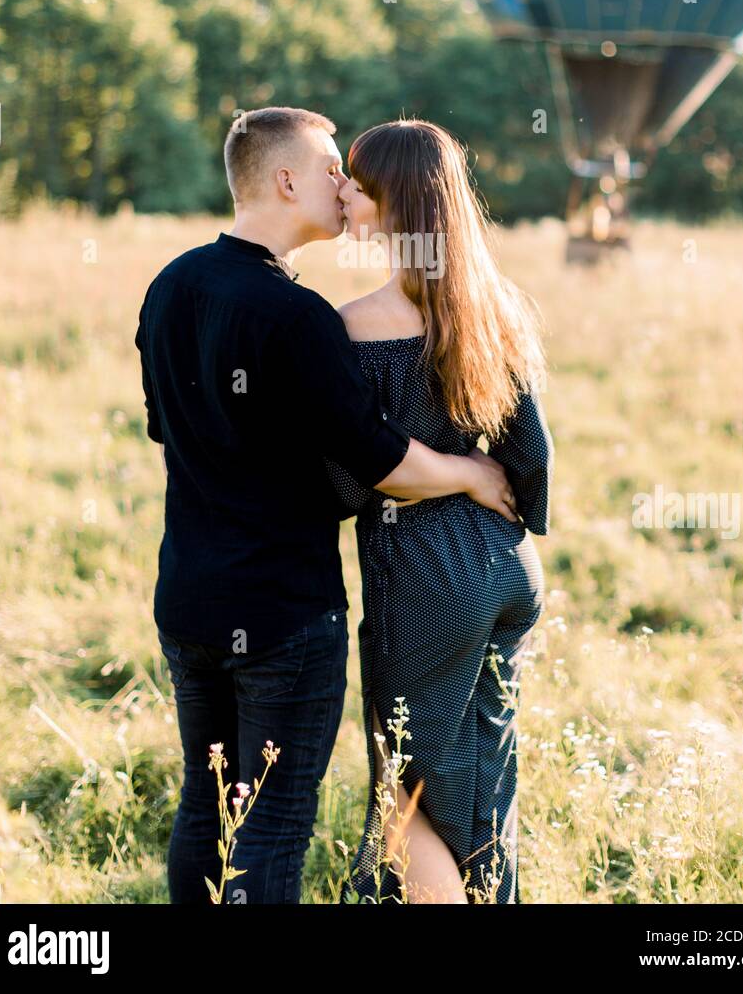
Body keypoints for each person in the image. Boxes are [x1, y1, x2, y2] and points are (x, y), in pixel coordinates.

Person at [135, 105, 519, 905]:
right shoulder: (299, 317)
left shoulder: (170, 286)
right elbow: (381, 461)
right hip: (283, 612)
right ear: (285, 180)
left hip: (189, 598)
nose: (342, 185)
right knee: (273, 823)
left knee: (206, 806)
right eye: (328, 169)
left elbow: (162, 428)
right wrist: (473, 475)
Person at [328, 119, 554, 904]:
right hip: (507, 570)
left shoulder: (357, 327)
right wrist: (484, 487)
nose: (345, 196)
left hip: (423, 578)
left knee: (405, 784)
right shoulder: (499, 312)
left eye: (358, 184)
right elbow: (534, 459)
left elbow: (357, 479)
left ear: (393, 207)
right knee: (486, 773)